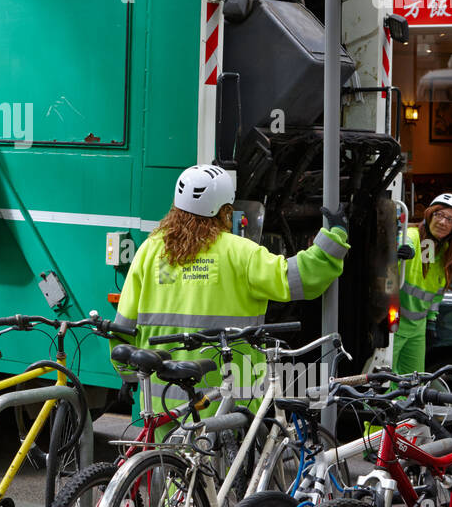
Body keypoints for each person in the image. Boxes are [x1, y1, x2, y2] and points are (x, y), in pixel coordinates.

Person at [114, 164, 350, 417]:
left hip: (161, 402)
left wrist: (129, 376)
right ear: (225, 211)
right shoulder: (240, 252)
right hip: (227, 403)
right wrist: (334, 239)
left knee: (164, 458)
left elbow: (123, 326)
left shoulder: (150, 251)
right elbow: (297, 278)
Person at [393, 194, 452, 375]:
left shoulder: (437, 249)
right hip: (396, 325)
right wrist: (404, 249)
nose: (442, 222)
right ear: (429, 215)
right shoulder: (415, 236)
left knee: (412, 381)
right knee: (387, 379)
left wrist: (431, 318)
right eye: (438, 215)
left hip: (417, 327)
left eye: (449, 219)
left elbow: (434, 286)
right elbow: (406, 238)